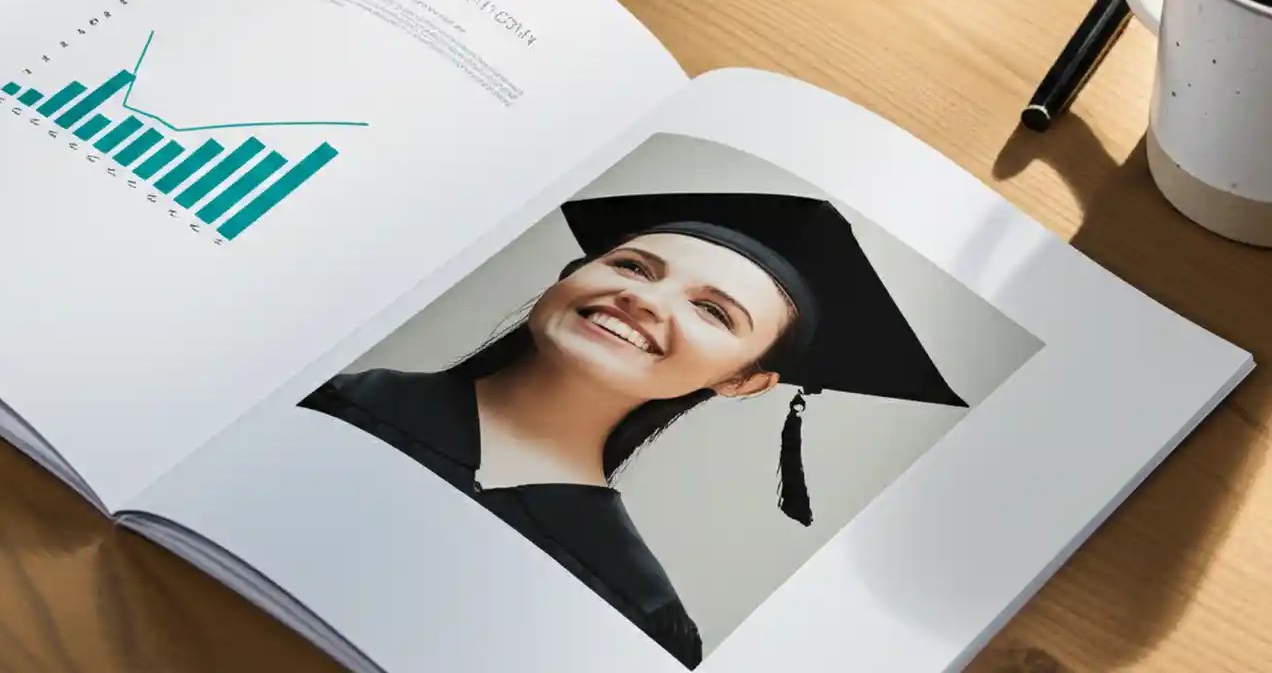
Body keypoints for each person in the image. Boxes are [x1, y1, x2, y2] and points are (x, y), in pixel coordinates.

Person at [298, 192, 967, 668]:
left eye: (713, 312)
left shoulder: (634, 611)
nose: (643, 299)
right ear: (572, 277)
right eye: (632, 267)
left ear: (742, 380)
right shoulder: (339, 399)